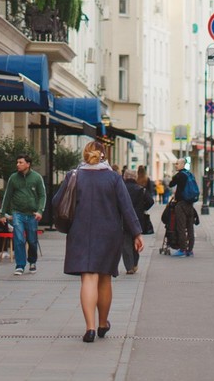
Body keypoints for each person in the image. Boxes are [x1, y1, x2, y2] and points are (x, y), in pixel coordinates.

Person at [52, 140, 143, 342]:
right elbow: (126, 207)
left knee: (88, 278)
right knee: (104, 278)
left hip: (80, 232)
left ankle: (90, 328)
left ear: (85, 155)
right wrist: (136, 233)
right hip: (109, 233)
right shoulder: (113, 178)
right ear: (103, 155)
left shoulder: (73, 176)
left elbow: (56, 202)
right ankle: (103, 323)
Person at [0, 154, 45, 275]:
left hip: (32, 214)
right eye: (17, 162)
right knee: (19, 239)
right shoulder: (13, 178)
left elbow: (42, 196)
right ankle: (20, 265)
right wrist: (2, 213)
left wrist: (40, 211)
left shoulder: (37, 177)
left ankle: (32, 261)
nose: (18, 164)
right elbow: (7, 196)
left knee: (32, 240)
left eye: (20, 162)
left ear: (28, 164)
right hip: (17, 213)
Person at [121, 170, 149, 273]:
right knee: (136, 240)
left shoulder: (121, 188)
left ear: (125, 177)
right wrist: (142, 208)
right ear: (135, 177)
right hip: (137, 219)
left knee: (126, 243)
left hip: (123, 219)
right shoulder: (140, 189)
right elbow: (150, 201)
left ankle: (129, 267)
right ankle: (135, 263)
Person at [168, 157, 197, 257]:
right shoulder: (190, 174)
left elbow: (171, 184)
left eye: (177, 164)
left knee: (181, 226)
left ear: (182, 164)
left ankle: (183, 249)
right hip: (190, 204)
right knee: (190, 227)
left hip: (181, 204)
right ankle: (190, 250)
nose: (176, 165)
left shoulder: (179, 175)